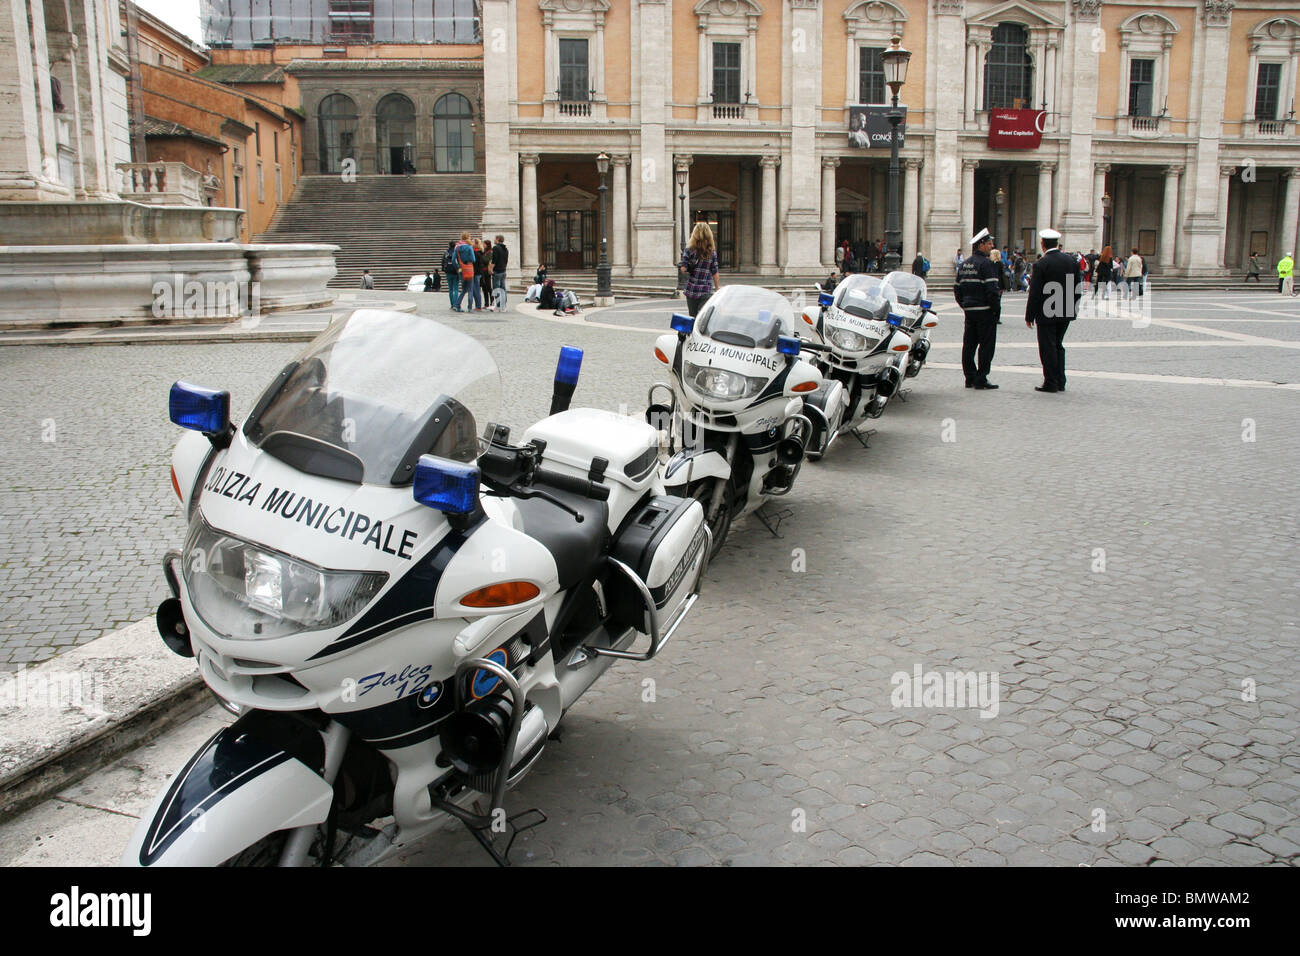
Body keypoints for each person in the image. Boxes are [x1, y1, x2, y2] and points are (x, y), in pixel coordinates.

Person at [1025, 228, 1083, 393]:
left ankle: (1051, 381)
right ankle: (1060, 380)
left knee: (1047, 347)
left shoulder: (1041, 264)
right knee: (1058, 345)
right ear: (1057, 243)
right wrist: (1073, 308)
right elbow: (1077, 288)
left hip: (1046, 311)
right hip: (1065, 310)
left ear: (1042, 244)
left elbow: (1035, 291)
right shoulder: (1072, 261)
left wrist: (1030, 315)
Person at [955, 228, 1003, 390]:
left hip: (970, 311)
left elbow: (957, 289)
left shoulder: (964, 264)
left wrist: (965, 305)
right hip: (985, 310)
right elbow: (992, 290)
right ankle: (981, 378)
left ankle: (969, 377)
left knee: (969, 345)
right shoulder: (987, 264)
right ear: (981, 244)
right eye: (989, 243)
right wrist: (996, 310)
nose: (992, 246)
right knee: (986, 345)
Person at [679, 221, 720, 318]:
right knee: (701, 317)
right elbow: (715, 271)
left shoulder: (689, 250)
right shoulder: (711, 252)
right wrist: (717, 287)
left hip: (692, 290)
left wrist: (689, 267)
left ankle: (692, 333)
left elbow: (683, 269)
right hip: (706, 289)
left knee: (692, 317)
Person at [452, 234, 481, 312]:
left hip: (461, 269)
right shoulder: (469, 247)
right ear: (467, 238)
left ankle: (457, 305)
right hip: (469, 268)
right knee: (470, 289)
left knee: (464, 289)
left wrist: (458, 268)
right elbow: (473, 259)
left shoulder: (457, 247)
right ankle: (469, 308)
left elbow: (453, 260)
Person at [490, 234, 509, 310]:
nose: (494, 240)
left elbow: (494, 260)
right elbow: (506, 260)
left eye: (495, 239)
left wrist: (491, 269)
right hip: (503, 270)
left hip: (497, 271)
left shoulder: (495, 248)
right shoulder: (505, 249)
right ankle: (503, 304)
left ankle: (498, 305)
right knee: (503, 288)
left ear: (497, 239)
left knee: (497, 288)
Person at [442, 240, 460, 307]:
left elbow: (443, 262)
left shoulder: (446, 253)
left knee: (450, 289)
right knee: (456, 288)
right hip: (456, 272)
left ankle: (452, 304)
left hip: (448, 272)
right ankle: (456, 303)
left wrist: (444, 270)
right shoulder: (457, 252)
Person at [479, 238, 494, 309]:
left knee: (489, 287)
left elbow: (486, 260)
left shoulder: (490, 252)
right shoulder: (484, 252)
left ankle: (492, 301)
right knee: (484, 288)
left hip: (487, 272)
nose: (483, 245)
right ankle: (486, 303)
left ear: (487, 245)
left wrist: (481, 257)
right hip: (482, 271)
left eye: (484, 244)